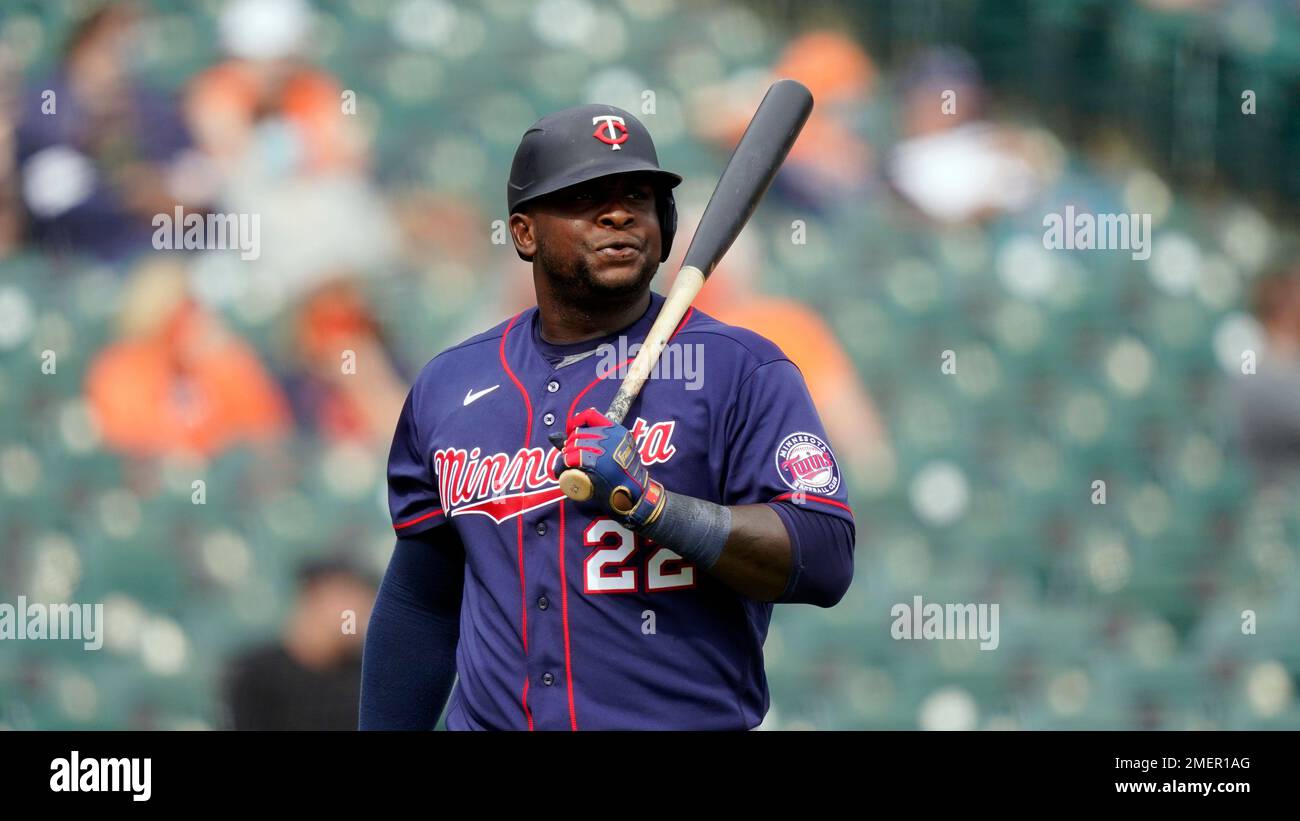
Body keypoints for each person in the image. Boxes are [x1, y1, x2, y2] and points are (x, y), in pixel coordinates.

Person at [359, 105, 855, 731]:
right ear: (524, 233)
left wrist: (652, 506)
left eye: (637, 197)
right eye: (586, 197)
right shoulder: (448, 385)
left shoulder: (738, 369)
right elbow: (423, 601)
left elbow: (824, 555)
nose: (617, 212)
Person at [224, 558, 376, 731]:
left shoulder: (367, 679)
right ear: (313, 597)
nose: (360, 609)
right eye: (347, 597)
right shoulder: (257, 676)